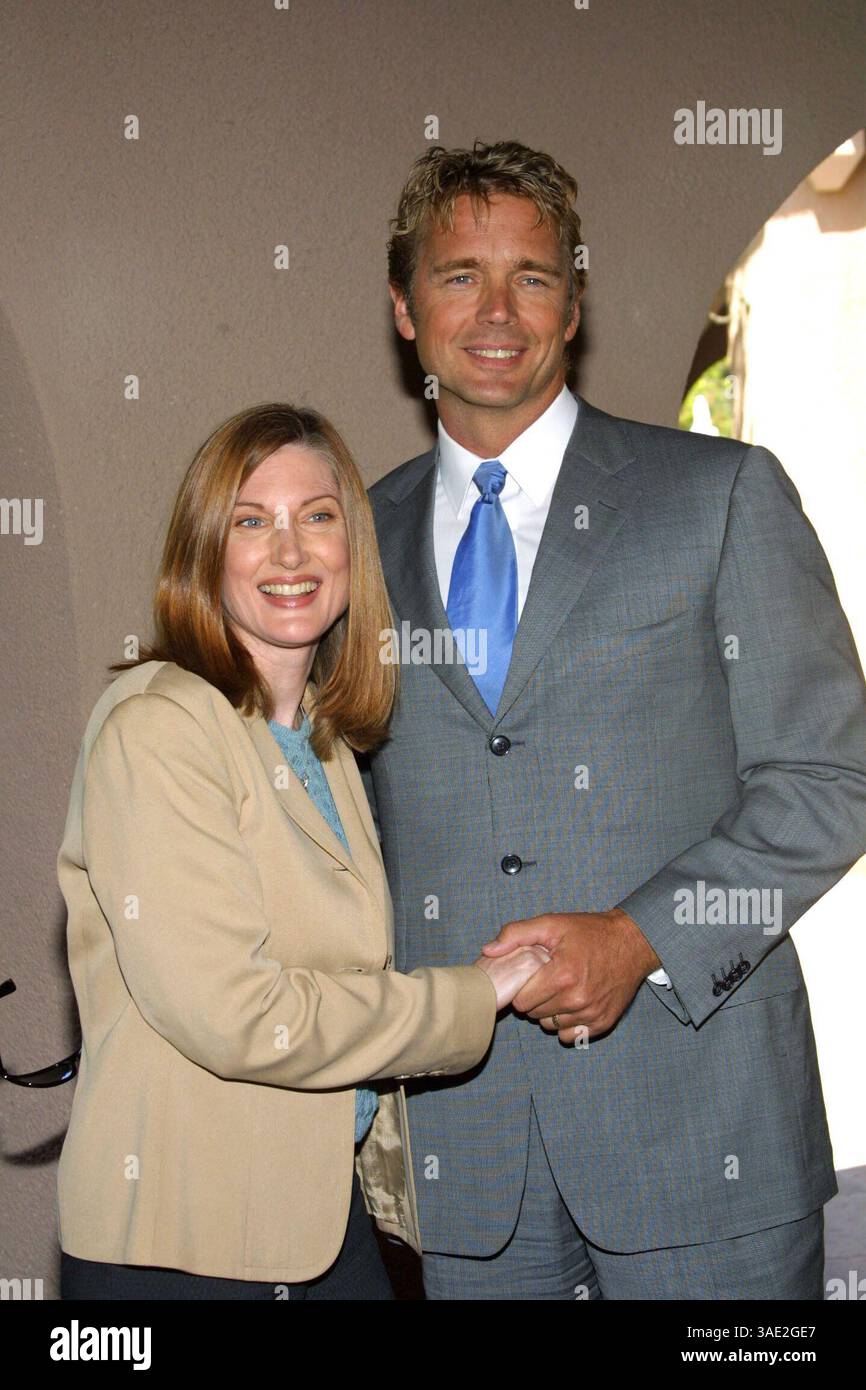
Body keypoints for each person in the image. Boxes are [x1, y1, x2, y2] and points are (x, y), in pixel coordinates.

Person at [357, 138, 866, 1299]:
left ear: (571, 302)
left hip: (704, 1139)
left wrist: (639, 938)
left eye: (531, 276)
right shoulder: (351, 543)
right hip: (467, 1157)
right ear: (403, 307)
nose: (497, 310)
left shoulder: (721, 495)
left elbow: (827, 781)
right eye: (456, 275)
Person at [55, 402, 548, 1300]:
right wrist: (472, 998)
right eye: (252, 522)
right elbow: (236, 1014)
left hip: (321, 1222)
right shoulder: (158, 726)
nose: (289, 553)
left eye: (317, 518)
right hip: (185, 1248)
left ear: (353, 549)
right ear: (206, 552)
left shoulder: (324, 739)